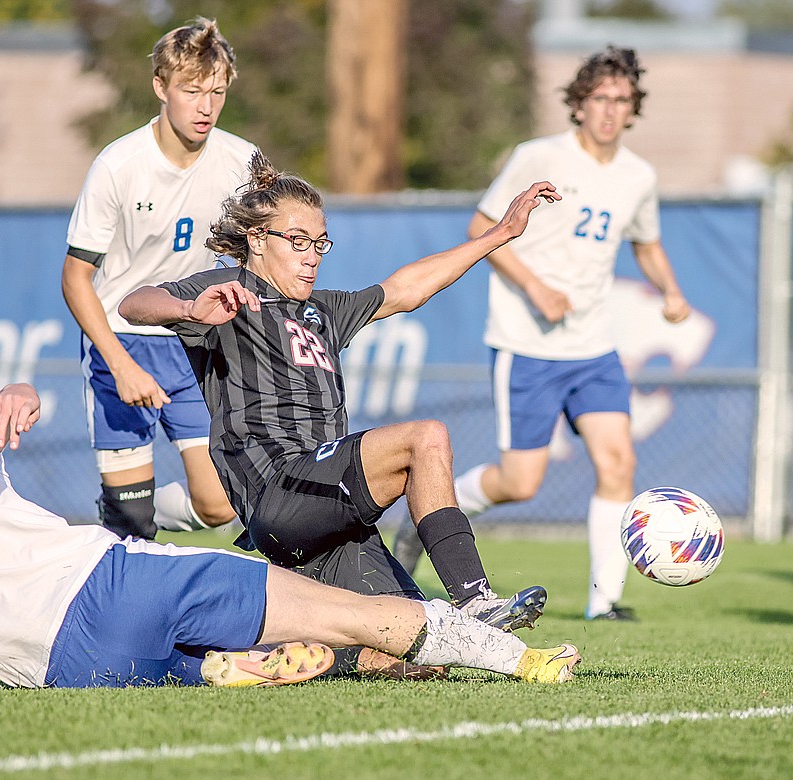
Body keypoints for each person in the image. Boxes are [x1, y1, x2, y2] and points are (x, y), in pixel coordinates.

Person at [0, 377, 582, 691]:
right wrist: (5, 404)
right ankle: (519, 660)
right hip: (107, 584)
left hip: (70, 673)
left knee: (186, 665)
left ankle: (236, 665)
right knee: (338, 610)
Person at [118, 153, 559, 633]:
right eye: (298, 241)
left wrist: (500, 236)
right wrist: (187, 307)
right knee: (425, 437)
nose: (311, 256)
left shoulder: (323, 311)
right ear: (258, 239)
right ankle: (476, 600)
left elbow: (405, 289)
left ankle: (278, 646)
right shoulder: (228, 291)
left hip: (329, 513)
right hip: (281, 493)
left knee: (419, 648)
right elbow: (133, 304)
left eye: (319, 243)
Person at [392, 46, 691, 622]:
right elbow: (482, 226)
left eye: (622, 99)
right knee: (520, 481)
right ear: (578, 105)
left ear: (634, 110)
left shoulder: (638, 176)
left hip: (594, 348)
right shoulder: (538, 156)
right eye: (600, 97)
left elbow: (646, 242)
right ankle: (426, 514)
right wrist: (535, 288)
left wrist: (671, 291)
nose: (610, 109)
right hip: (526, 345)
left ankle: (604, 602)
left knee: (618, 463)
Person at [61, 17, 254, 541]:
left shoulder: (243, 161)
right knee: (131, 529)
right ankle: (124, 523)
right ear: (160, 87)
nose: (206, 106)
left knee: (219, 507)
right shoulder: (119, 165)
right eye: (191, 91)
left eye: (217, 92)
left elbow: (263, 250)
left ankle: (134, 516)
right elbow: (76, 280)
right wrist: (120, 366)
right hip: (121, 342)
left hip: (194, 341)